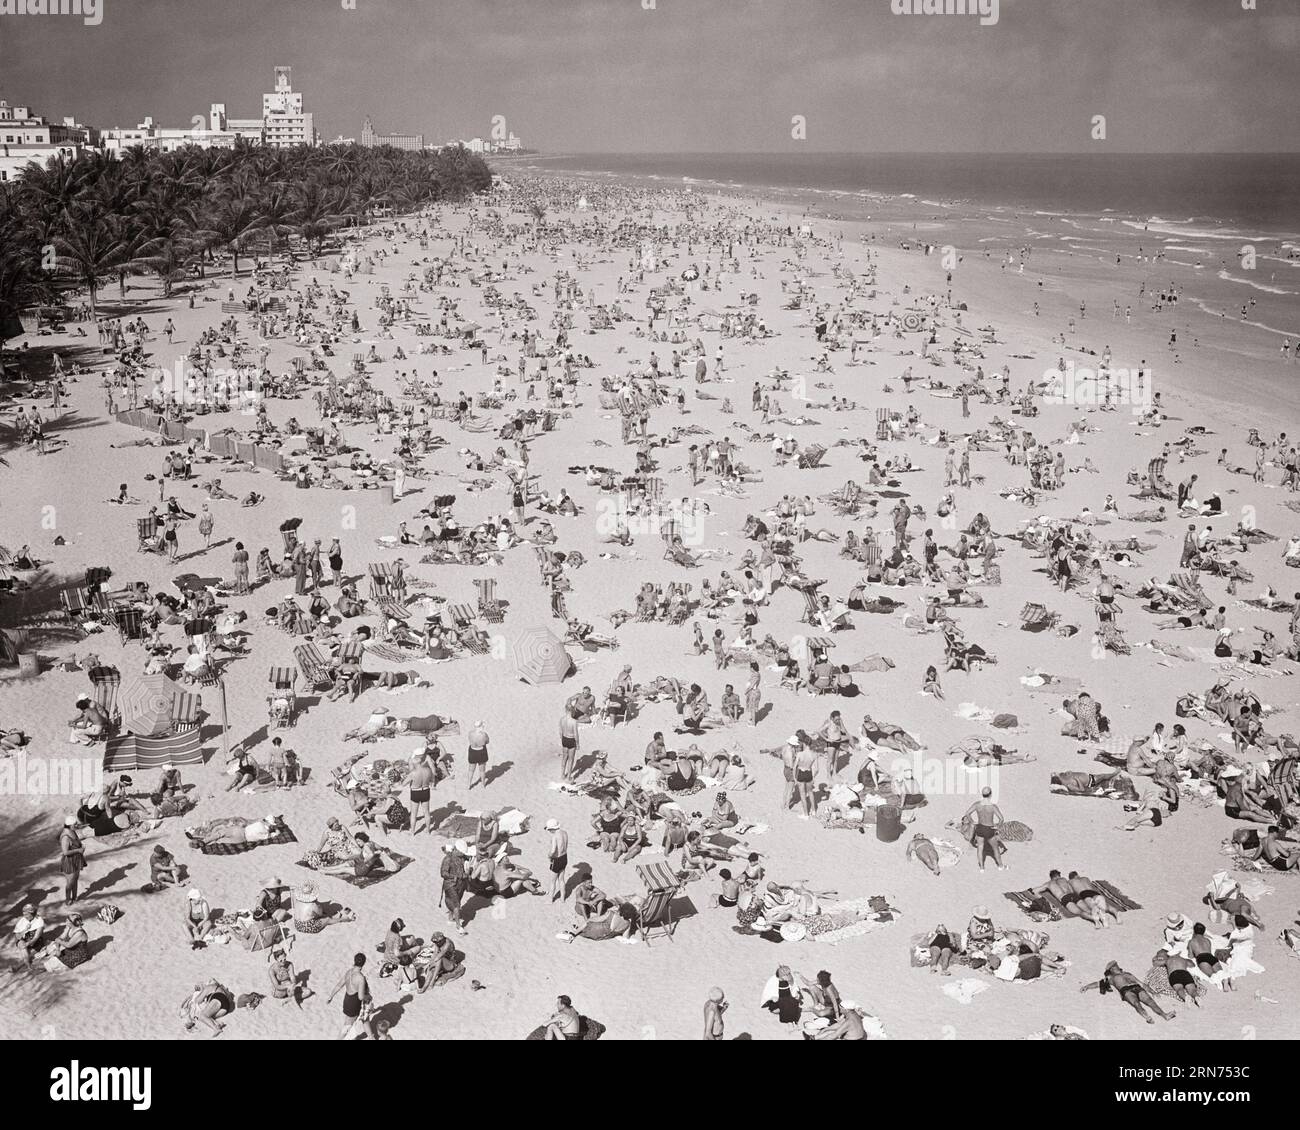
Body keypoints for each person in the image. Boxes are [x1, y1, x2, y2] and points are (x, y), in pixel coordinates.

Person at [1080, 960, 1174, 1024]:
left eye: (1116, 965)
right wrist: (1087, 987)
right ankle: (1147, 1017)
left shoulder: (1127, 974)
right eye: (1115, 966)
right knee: (1136, 1003)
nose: (1117, 966)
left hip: (1137, 987)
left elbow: (1140, 983)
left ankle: (1164, 1015)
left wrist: (1152, 991)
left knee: (1150, 1001)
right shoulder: (1111, 978)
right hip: (1126, 990)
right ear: (1112, 969)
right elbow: (1098, 983)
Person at [328, 953, 374, 1040]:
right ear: (363, 963)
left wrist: (331, 996)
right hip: (355, 1003)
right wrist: (368, 997)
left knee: (365, 1017)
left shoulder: (349, 972)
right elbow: (360, 997)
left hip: (347, 1000)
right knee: (347, 1025)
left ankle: (371, 1037)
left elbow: (339, 985)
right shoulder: (360, 978)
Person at [961, 786, 1006, 870]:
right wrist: (997, 826)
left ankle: (981, 868)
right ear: (990, 795)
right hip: (989, 829)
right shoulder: (993, 807)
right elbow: (1001, 819)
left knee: (980, 848)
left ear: (982, 794)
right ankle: (1000, 866)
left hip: (980, 828)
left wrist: (972, 821)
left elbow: (967, 813)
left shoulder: (977, 804)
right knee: (995, 849)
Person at [439, 843, 469, 935]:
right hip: (450, 884)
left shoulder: (463, 858)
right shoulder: (448, 859)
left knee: (456, 900)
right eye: (462, 852)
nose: (463, 854)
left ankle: (450, 918)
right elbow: (443, 873)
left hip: (461, 884)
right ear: (456, 850)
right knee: (456, 904)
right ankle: (458, 926)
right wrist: (454, 876)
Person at [58, 816, 86, 904]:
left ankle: (74, 897)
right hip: (69, 861)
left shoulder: (72, 831)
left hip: (76, 859)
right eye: (75, 824)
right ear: (70, 825)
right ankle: (67, 899)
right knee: (70, 882)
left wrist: (81, 846)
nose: (76, 825)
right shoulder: (65, 837)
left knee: (75, 879)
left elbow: (77, 841)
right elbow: (65, 852)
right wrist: (78, 850)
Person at [12, 903, 45, 969]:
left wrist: (29, 943)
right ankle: (28, 966)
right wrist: (25, 930)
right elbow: (17, 937)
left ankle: (20, 965)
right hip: (23, 940)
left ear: (32, 914)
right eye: (24, 914)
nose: (24, 916)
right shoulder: (22, 920)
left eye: (26, 914)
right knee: (23, 947)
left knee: (27, 953)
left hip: (35, 942)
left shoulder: (39, 920)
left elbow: (36, 937)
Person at [546, 818, 569, 901]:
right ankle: (562, 898)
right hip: (564, 857)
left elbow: (553, 851)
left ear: (552, 829)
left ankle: (550, 900)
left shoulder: (555, 836)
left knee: (553, 881)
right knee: (561, 879)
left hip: (557, 859)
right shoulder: (565, 833)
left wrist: (549, 856)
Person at [466, 720, 490, 790]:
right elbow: (487, 741)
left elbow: (470, 740)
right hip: (481, 751)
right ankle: (483, 784)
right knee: (482, 770)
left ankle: (469, 784)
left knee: (471, 770)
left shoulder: (470, 733)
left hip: (472, 751)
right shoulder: (484, 734)